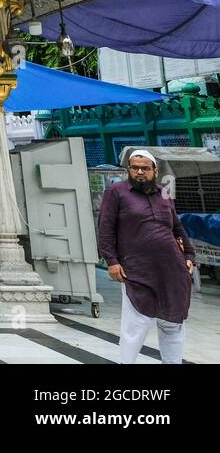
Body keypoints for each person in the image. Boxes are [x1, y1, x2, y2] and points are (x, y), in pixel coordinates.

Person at [97, 149, 194, 364]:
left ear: (155, 170)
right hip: (137, 269)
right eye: (135, 168)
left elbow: (177, 227)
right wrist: (111, 261)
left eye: (145, 168)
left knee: (173, 321)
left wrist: (189, 255)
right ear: (129, 169)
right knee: (136, 323)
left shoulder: (164, 193)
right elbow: (105, 229)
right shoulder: (116, 192)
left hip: (172, 269)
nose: (139, 172)